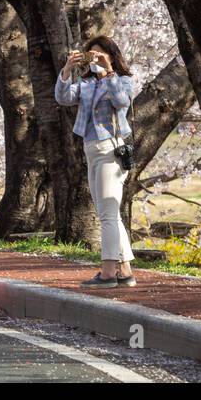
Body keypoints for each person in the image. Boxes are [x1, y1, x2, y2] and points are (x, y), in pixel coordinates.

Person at [55, 36, 137, 288]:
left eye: (100, 55)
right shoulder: (87, 84)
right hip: (91, 148)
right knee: (110, 214)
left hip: (110, 149)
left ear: (112, 56)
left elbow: (122, 101)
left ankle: (108, 273)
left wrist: (108, 71)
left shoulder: (122, 80)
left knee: (106, 215)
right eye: (92, 56)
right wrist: (67, 69)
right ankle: (125, 271)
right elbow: (63, 97)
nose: (96, 60)